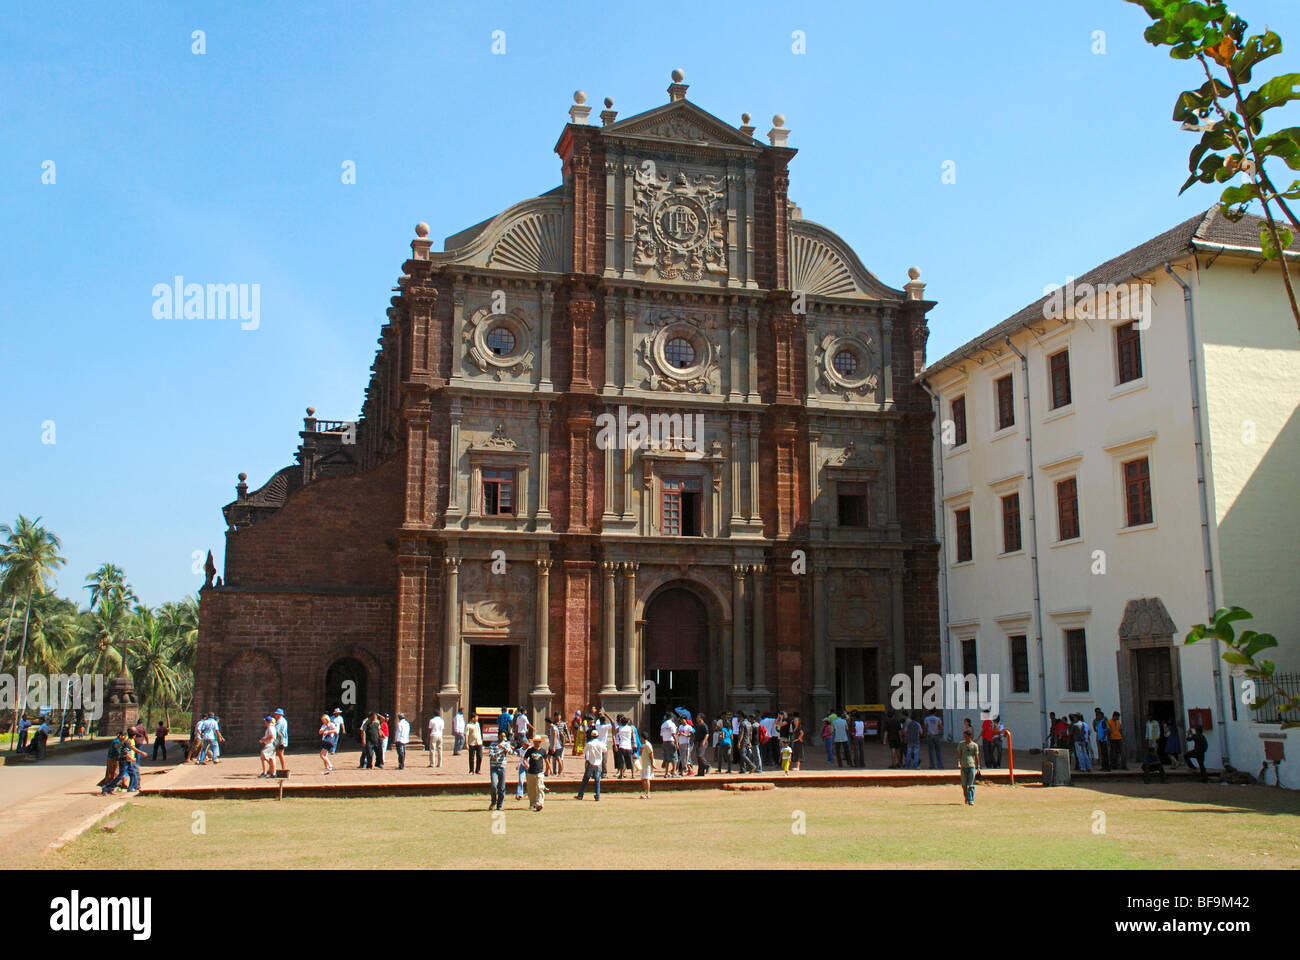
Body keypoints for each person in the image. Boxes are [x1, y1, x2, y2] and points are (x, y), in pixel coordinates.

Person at [576, 728, 607, 801]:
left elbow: (583, 751)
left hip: (591, 762)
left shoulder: (589, 744)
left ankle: (580, 795)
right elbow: (605, 750)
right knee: (597, 779)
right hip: (598, 763)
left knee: (585, 779)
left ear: (591, 736)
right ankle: (597, 795)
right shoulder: (600, 743)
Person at [486, 731, 510, 811]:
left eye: (504, 736)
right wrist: (500, 752)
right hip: (494, 767)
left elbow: (512, 752)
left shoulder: (506, 744)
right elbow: (491, 755)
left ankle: (500, 805)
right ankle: (493, 802)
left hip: (502, 766)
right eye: (501, 736)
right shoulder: (493, 744)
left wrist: (505, 749)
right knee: (494, 785)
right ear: (498, 736)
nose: (503, 738)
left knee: (502, 787)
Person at [957, 728, 981, 805]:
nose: (964, 737)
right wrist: (959, 763)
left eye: (965, 736)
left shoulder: (974, 745)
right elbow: (959, 754)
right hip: (964, 767)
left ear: (969, 736)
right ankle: (966, 797)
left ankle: (971, 799)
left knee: (970, 784)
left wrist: (978, 766)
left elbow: (976, 756)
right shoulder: (961, 744)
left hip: (971, 766)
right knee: (964, 784)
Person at [525, 734, 547, 811]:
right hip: (530, 772)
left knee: (540, 787)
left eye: (537, 742)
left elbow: (546, 761)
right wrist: (526, 764)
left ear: (540, 742)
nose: (536, 743)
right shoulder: (530, 750)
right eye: (535, 742)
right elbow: (524, 758)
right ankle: (532, 803)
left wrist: (548, 769)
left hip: (539, 772)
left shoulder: (543, 751)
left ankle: (540, 803)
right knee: (531, 789)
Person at [639, 730, 656, 798]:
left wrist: (652, 763)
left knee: (646, 778)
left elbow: (651, 754)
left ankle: (647, 794)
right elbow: (640, 754)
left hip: (647, 764)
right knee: (643, 778)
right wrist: (640, 750)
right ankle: (645, 792)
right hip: (643, 764)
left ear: (642, 737)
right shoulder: (643, 745)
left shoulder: (648, 744)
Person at [273, 708, 289, 773]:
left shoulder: (280, 721)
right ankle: (280, 768)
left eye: (276, 714)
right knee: (278, 754)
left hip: (281, 740)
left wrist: (272, 725)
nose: (275, 715)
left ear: (280, 714)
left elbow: (277, 730)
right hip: (282, 740)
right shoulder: (282, 720)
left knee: (279, 754)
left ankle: (283, 768)